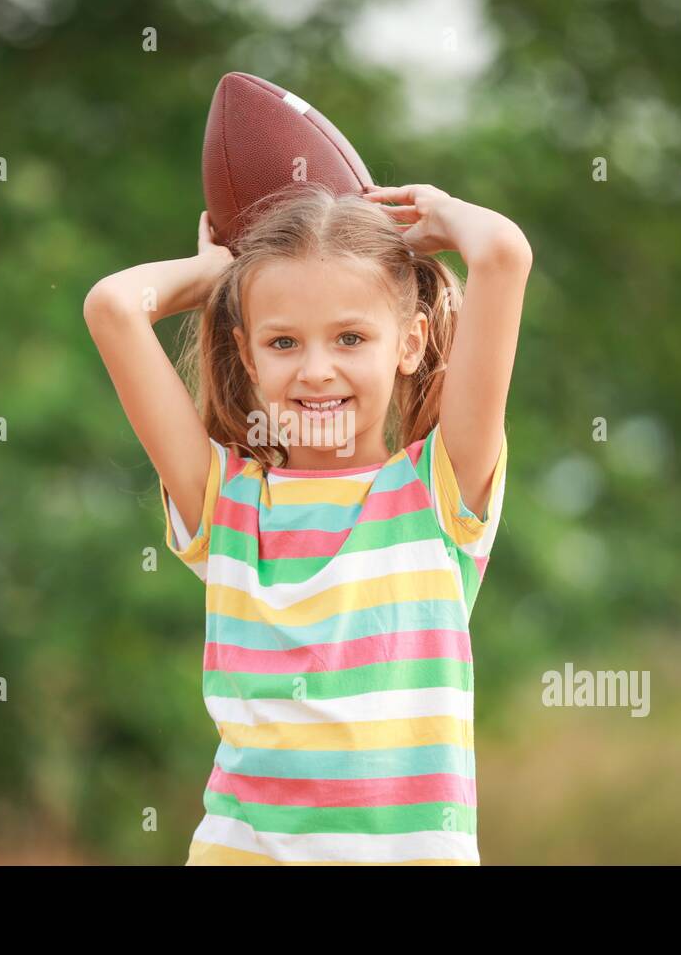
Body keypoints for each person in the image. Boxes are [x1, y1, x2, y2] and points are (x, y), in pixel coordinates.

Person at [84, 181, 533, 864]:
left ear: (409, 343)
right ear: (247, 355)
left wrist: (441, 218)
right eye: (284, 341)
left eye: (351, 337)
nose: (317, 370)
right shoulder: (223, 501)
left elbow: (502, 254)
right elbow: (113, 307)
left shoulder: (438, 492)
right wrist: (214, 274)